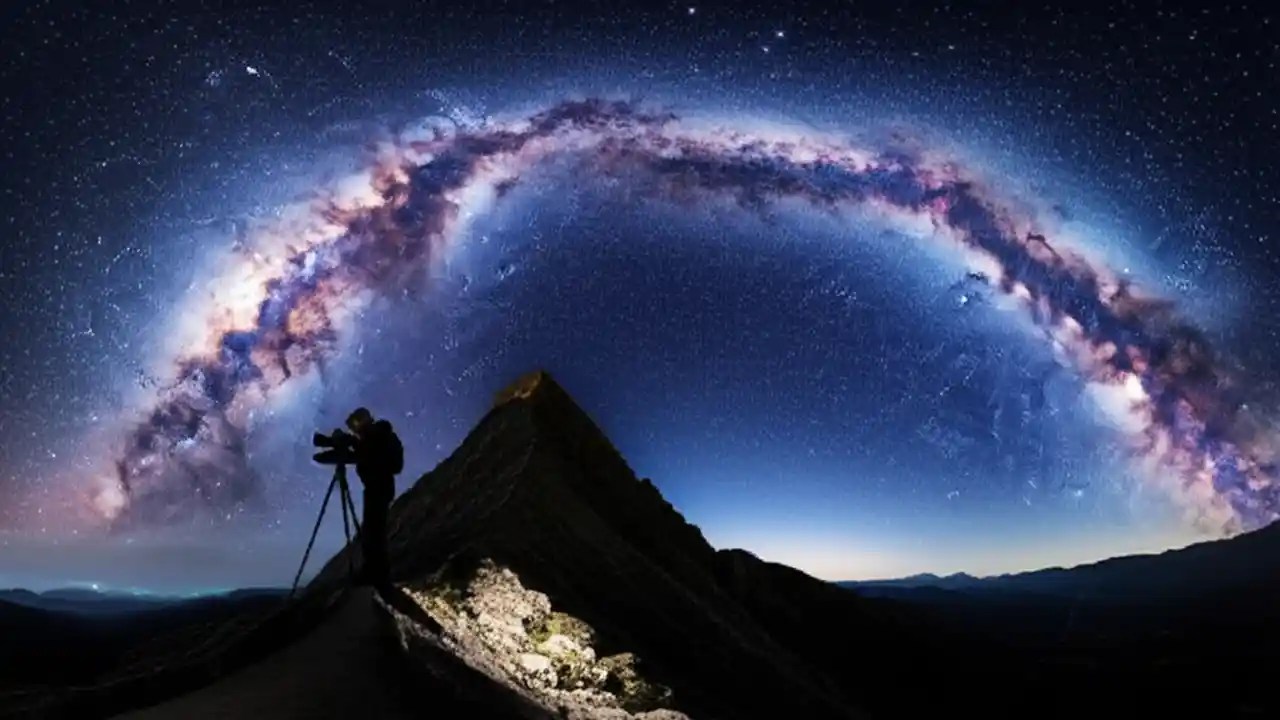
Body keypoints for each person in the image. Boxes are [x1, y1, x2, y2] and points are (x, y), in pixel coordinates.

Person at [345, 407, 403, 592]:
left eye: (356, 425)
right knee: (372, 531)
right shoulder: (376, 437)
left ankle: (377, 575)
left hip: (379, 488)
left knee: (373, 532)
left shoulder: (379, 435)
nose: (355, 430)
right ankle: (376, 572)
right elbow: (368, 455)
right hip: (376, 488)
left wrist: (356, 444)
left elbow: (382, 460)